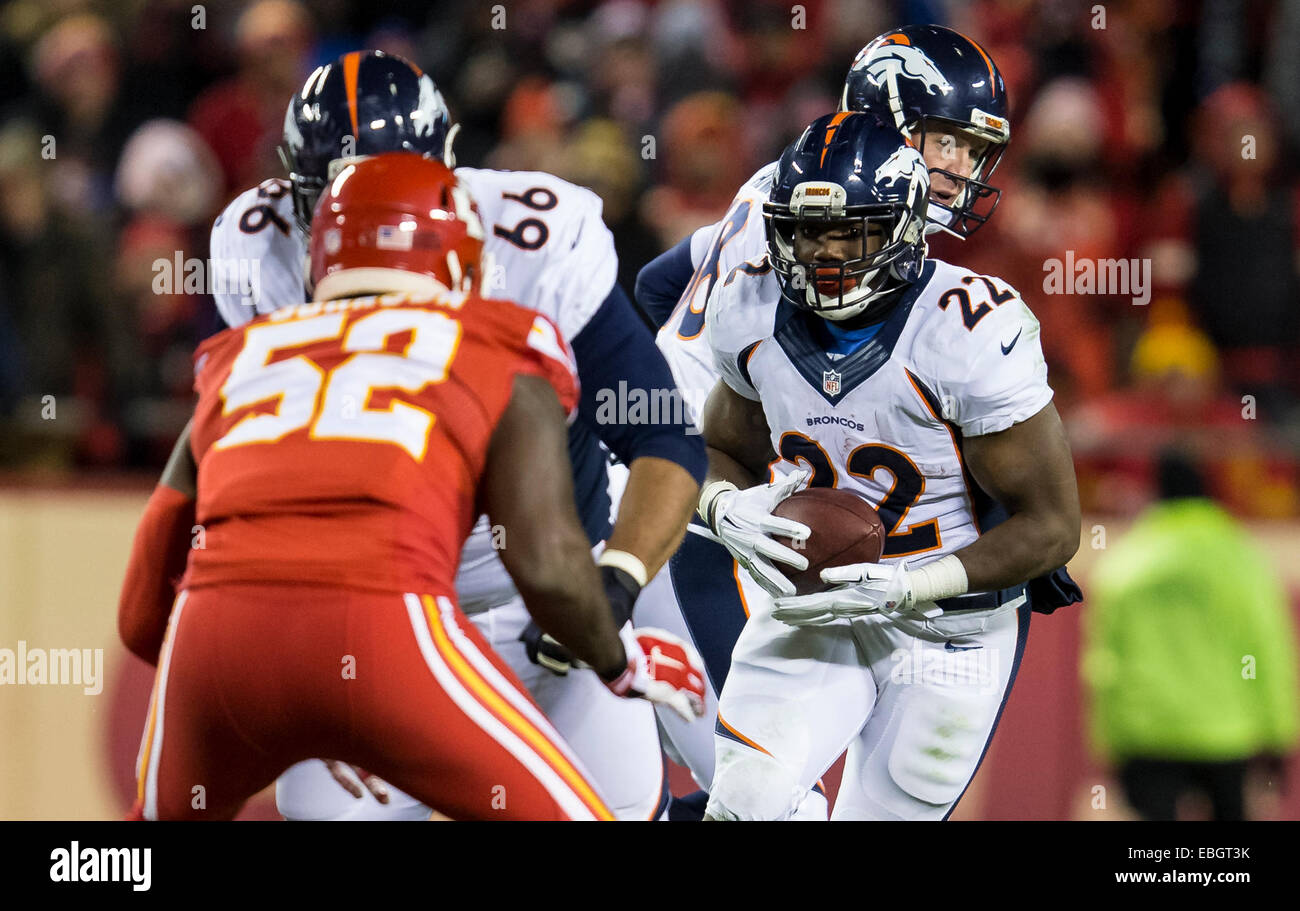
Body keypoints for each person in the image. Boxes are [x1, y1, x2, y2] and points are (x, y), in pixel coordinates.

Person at [119, 153, 705, 821]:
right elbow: (546, 566)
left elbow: (140, 611)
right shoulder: (498, 340)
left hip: (210, 645)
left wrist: (308, 705)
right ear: (461, 262)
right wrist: (622, 662)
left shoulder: (239, 354)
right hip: (387, 628)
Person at [633, 25, 1080, 817]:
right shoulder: (792, 256)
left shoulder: (781, 199)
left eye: (976, 151)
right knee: (754, 798)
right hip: (700, 515)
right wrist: (725, 479)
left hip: (720, 500)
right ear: (894, 129)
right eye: (947, 142)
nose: (964, 170)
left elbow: (660, 282)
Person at [1083, 449, 1299, 821]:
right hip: (1229, 734)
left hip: (1149, 734)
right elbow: (1269, 650)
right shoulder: (1242, 559)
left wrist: (1110, 741)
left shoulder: (1126, 563)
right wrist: (1279, 735)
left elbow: (1105, 664)